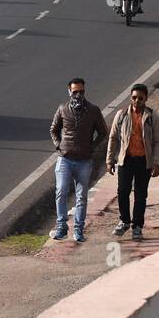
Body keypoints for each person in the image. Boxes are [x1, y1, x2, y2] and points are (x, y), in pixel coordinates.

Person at [49, 78, 109, 243]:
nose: (78, 95)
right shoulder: (63, 109)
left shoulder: (93, 110)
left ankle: (78, 230)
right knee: (60, 192)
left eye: (81, 91)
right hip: (65, 159)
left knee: (81, 196)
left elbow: (103, 132)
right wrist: (58, 146)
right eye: (75, 91)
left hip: (84, 161)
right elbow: (54, 129)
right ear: (69, 92)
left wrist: (92, 147)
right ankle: (61, 227)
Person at [107, 83, 159, 241]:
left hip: (144, 162)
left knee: (140, 194)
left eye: (140, 98)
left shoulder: (152, 116)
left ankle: (137, 226)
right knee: (122, 191)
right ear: (131, 97)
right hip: (126, 160)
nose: (136, 101)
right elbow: (113, 137)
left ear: (145, 99)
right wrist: (110, 160)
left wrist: (156, 162)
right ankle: (124, 221)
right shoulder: (122, 115)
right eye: (134, 97)